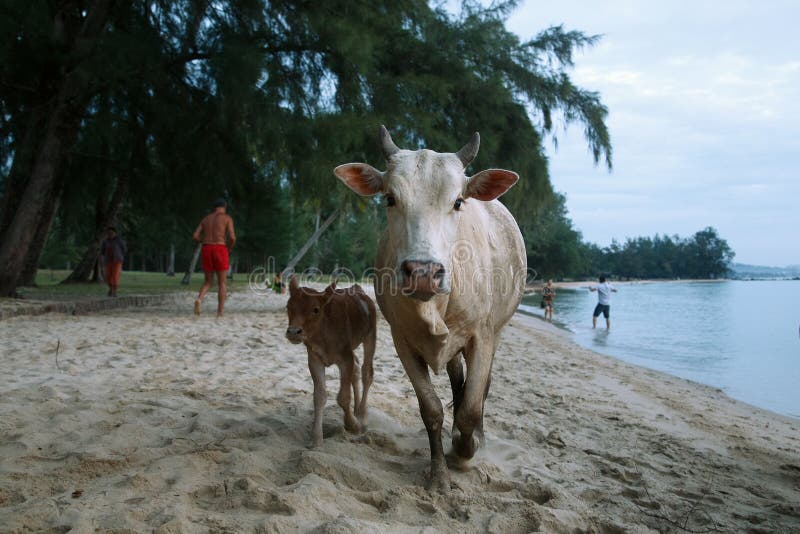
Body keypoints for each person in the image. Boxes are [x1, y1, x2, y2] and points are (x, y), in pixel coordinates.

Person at [192, 198, 236, 317]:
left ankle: (199, 299)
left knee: (208, 281)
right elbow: (232, 238)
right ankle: (219, 313)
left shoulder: (206, 219)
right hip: (220, 248)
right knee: (222, 283)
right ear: (224, 207)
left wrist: (204, 240)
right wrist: (229, 248)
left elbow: (195, 236)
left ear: (214, 207)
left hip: (206, 249)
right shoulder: (227, 218)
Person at [100, 226, 127, 297]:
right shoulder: (105, 241)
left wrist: (120, 256)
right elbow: (102, 252)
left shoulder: (120, 240)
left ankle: (114, 291)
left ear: (115, 233)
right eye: (108, 233)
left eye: (112, 233)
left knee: (115, 276)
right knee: (107, 277)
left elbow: (124, 250)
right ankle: (111, 288)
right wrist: (103, 260)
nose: (110, 234)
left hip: (117, 261)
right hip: (108, 261)